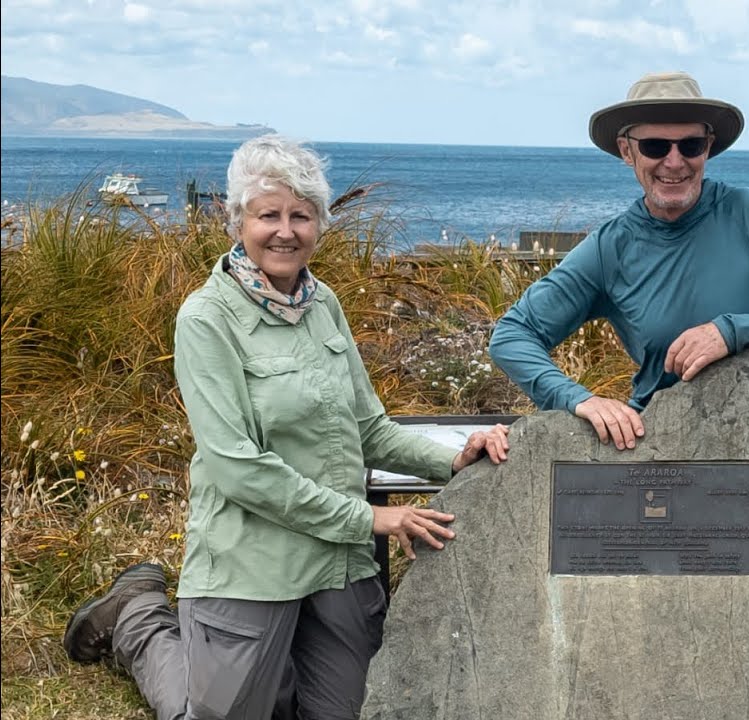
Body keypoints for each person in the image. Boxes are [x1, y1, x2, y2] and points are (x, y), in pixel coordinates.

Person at [61, 135, 511, 720]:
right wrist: (373, 517)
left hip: (334, 563)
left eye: (301, 215)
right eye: (267, 214)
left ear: (319, 225)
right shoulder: (206, 318)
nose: (285, 230)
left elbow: (369, 429)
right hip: (252, 562)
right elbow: (237, 469)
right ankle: (138, 619)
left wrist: (452, 459)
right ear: (237, 222)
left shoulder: (322, 305)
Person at [489, 71, 749, 448]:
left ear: (708, 146)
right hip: (658, 445)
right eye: (656, 147)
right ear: (627, 151)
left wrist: (729, 332)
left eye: (690, 145)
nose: (674, 162)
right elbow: (512, 336)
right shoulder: (612, 247)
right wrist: (579, 400)